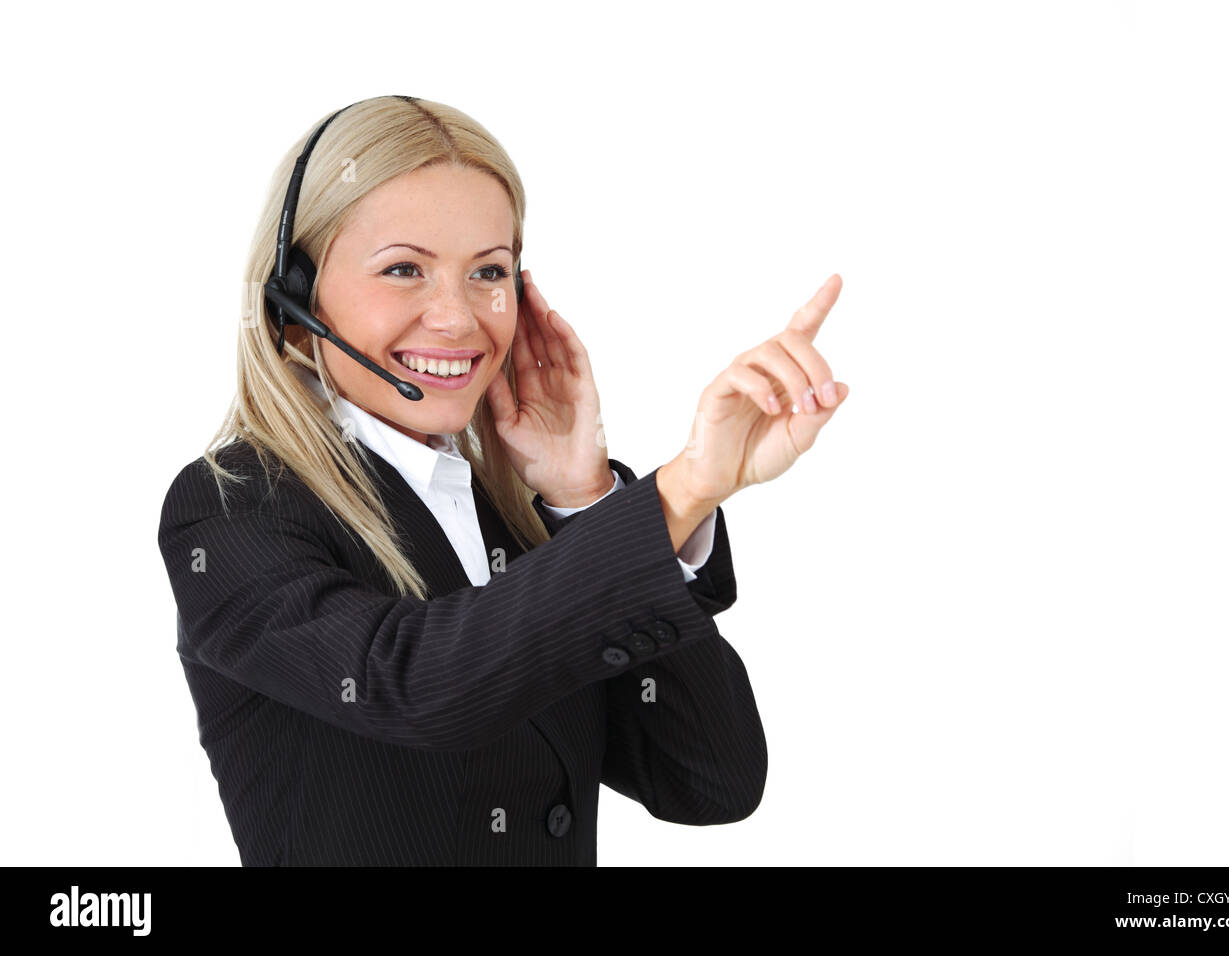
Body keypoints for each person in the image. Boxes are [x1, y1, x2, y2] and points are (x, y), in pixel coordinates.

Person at [157, 94, 850, 865]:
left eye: (488, 271)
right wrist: (681, 492)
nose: (456, 318)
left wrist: (584, 498)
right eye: (404, 269)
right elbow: (419, 683)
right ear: (294, 294)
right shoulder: (230, 508)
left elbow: (711, 780)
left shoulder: (515, 519)